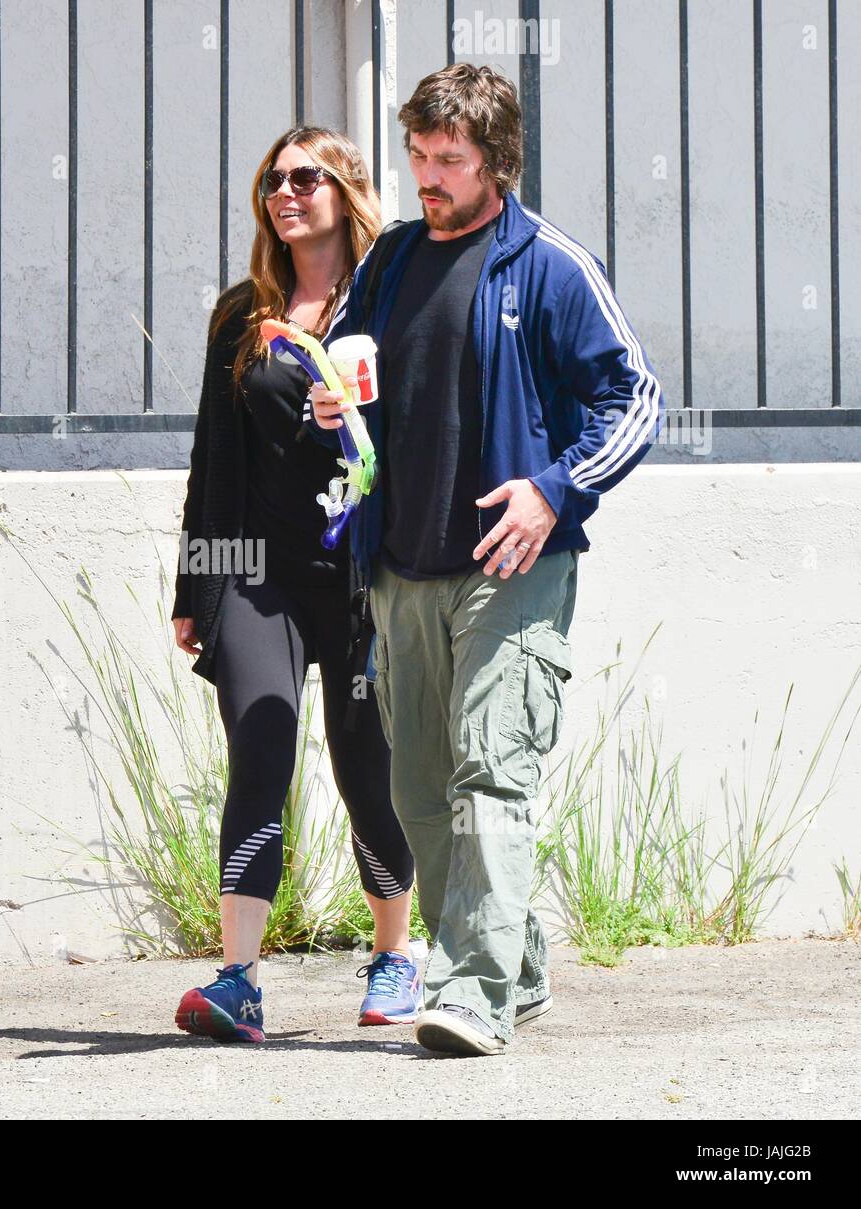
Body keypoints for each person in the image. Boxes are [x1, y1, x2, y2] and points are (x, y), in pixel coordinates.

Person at [309, 63, 665, 1056]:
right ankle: (513, 956)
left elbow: (633, 399)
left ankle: (472, 991)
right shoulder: (390, 261)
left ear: (497, 162)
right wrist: (334, 399)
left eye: (448, 160)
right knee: (417, 789)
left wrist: (551, 489)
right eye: (417, 156)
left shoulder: (548, 264)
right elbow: (348, 366)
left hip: (512, 567)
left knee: (490, 773)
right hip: (401, 566)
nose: (427, 176)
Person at [171, 127, 418, 1042]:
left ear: (347, 188)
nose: (285, 192)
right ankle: (239, 978)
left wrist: (363, 416)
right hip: (254, 576)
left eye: (306, 176)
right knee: (261, 751)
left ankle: (396, 953)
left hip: (359, 574)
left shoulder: (390, 303)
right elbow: (212, 456)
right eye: (273, 179)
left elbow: (425, 428)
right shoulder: (244, 314)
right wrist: (195, 584)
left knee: (367, 768)